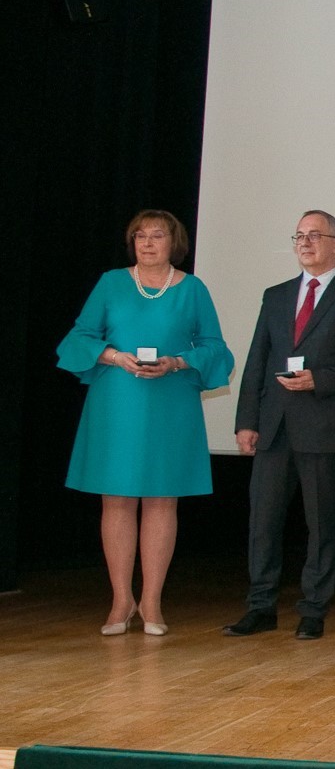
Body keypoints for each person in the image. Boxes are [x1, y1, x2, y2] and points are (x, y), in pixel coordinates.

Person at [56, 209, 233, 636]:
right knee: (115, 499)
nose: (148, 242)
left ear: (175, 243)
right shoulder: (111, 282)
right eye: (140, 236)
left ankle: (152, 601)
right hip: (116, 402)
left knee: (161, 500)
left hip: (170, 402)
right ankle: (121, 600)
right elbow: (79, 337)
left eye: (157, 235)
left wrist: (176, 362)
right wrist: (115, 356)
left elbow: (215, 349)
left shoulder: (192, 288)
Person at [223, 210, 335, 641]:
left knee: (320, 523)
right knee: (263, 521)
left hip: (323, 426)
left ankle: (313, 608)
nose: (306, 242)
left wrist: (321, 379)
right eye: (299, 236)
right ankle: (261, 606)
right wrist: (246, 421)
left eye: (315, 235)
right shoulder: (275, 296)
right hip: (273, 427)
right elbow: (257, 360)